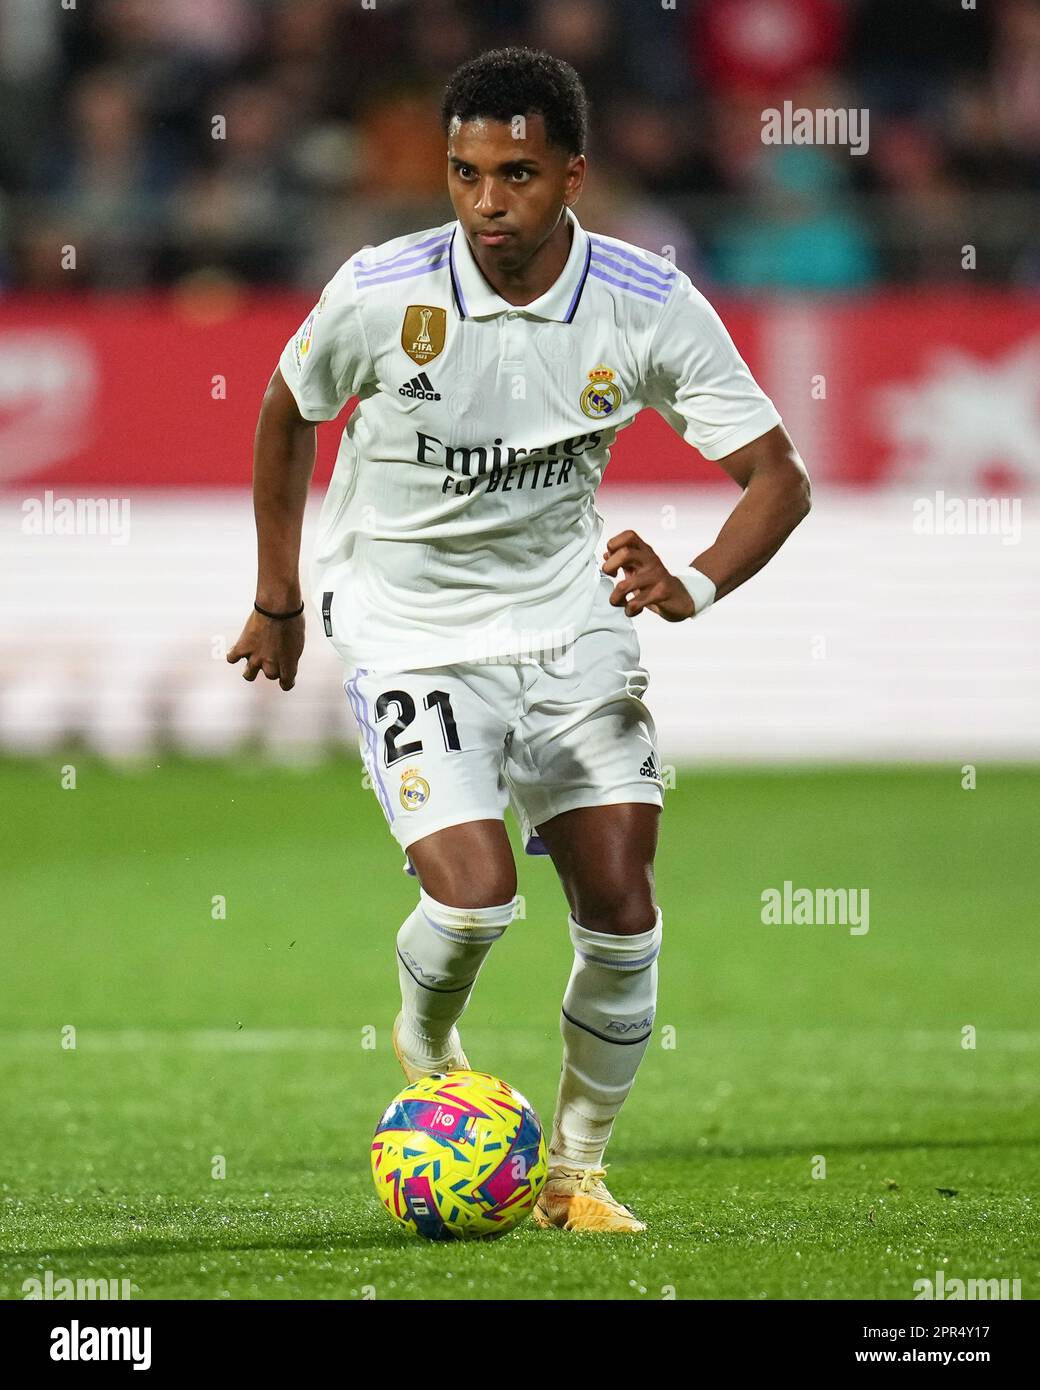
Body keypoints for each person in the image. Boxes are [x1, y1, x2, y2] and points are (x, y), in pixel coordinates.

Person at [228, 46, 811, 1233]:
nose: (488, 203)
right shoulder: (383, 290)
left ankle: (575, 1174)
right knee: (478, 904)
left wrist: (690, 583)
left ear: (574, 175)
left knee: (621, 903)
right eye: (464, 173)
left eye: (518, 175)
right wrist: (277, 595)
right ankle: (429, 1041)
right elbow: (289, 408)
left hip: (567, 626)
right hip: (409, 632)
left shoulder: (646, 304)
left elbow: (776, 477)